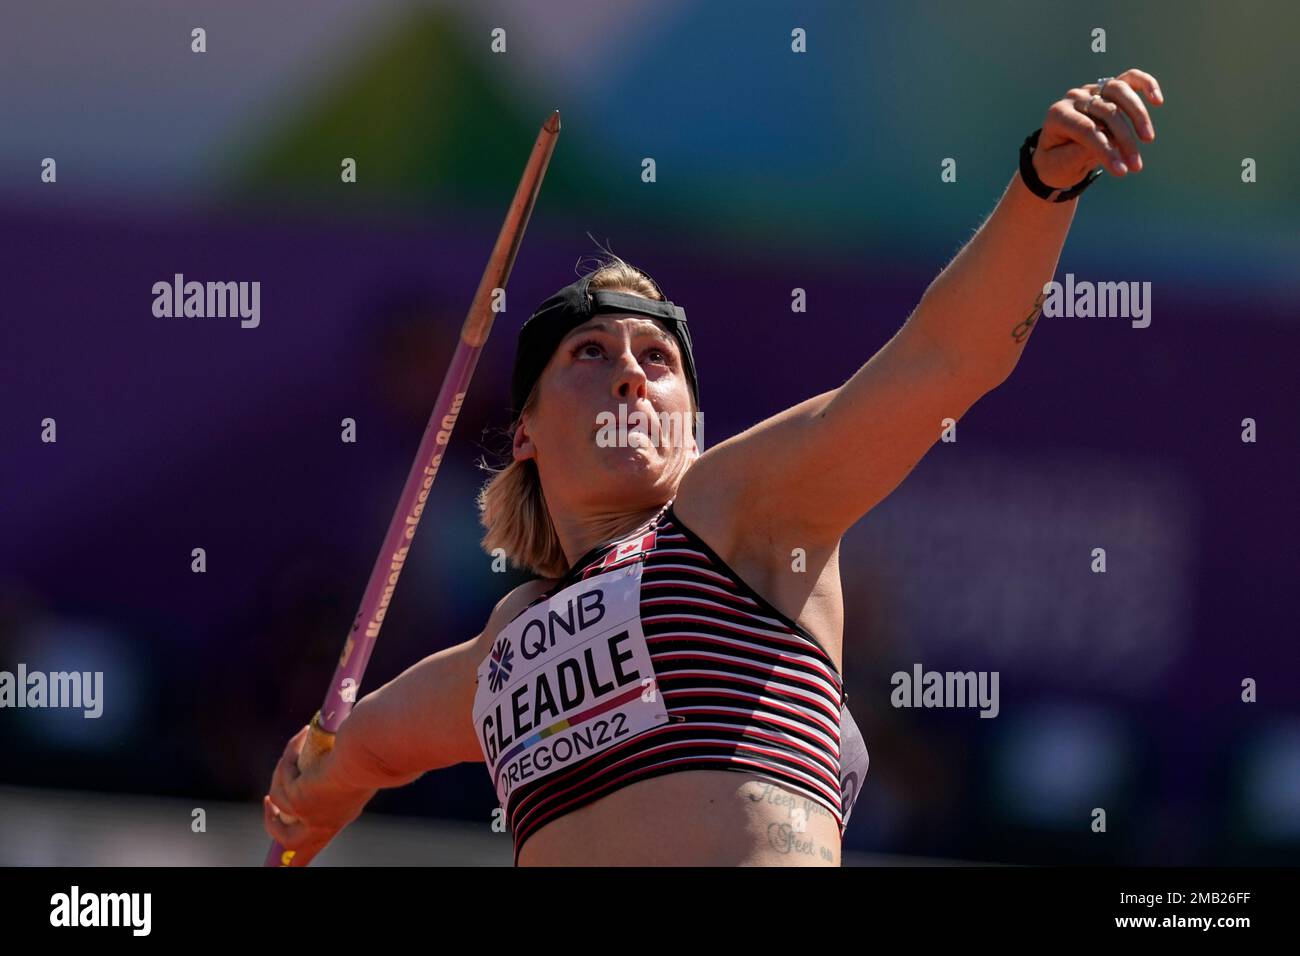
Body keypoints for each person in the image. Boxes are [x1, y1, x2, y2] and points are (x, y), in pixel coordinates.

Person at [263, 68, 1163, 866]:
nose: (628, 370)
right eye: (588, 354)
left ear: (693, 429)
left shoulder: (740, 509)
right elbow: (354, 755)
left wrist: (1041, 188)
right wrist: (308, 797)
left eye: (658, 362)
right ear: (525, 429)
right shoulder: (501, 653)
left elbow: (945, 360)